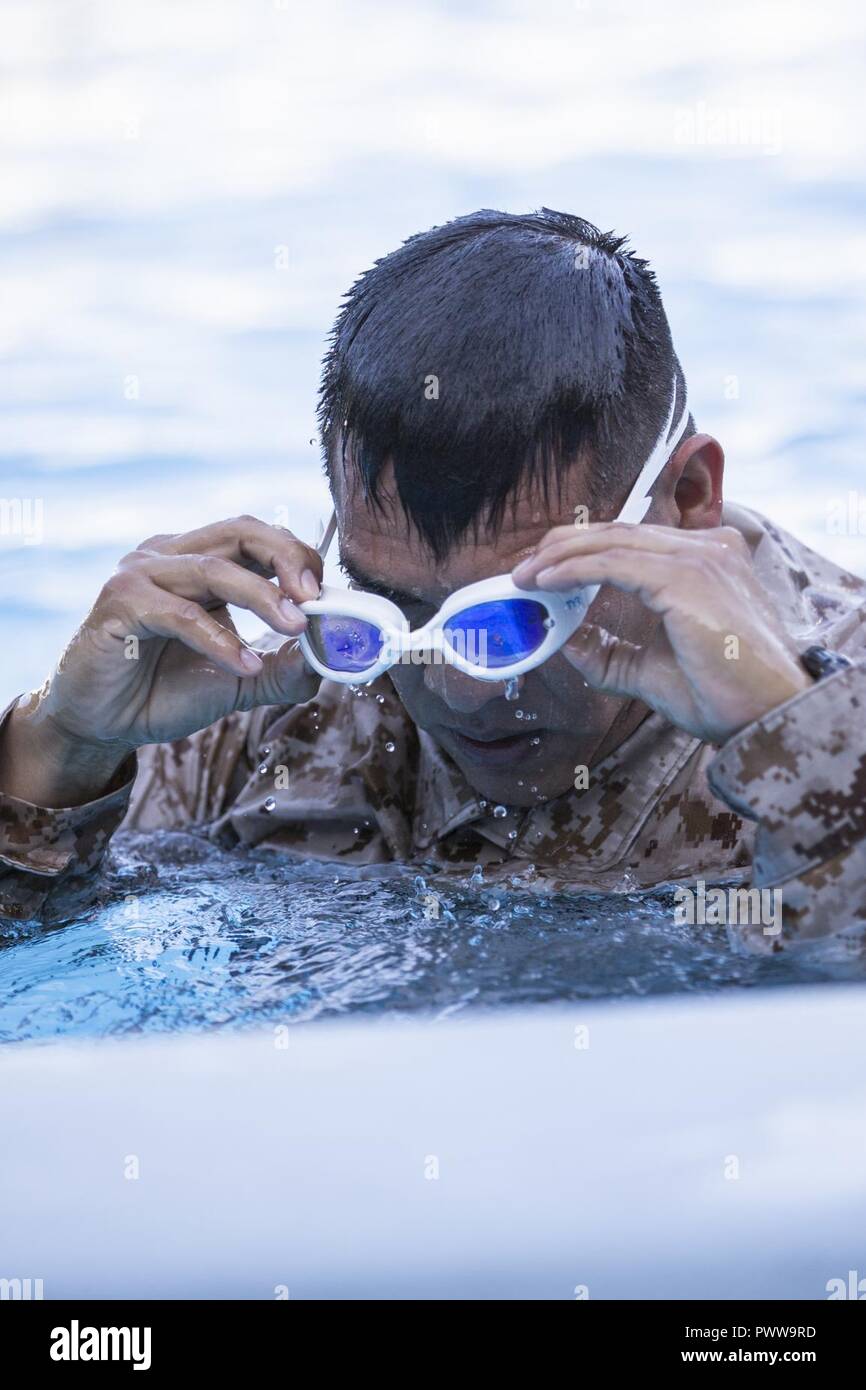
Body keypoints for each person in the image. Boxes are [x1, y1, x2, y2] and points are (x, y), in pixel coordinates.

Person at [1, 209, 863, 952]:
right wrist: (63, 749)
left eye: (522, 609)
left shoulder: (837, 699)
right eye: (399, 601)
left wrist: (791, 747)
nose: (458, 686)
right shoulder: (289, 687)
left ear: (686, 500)